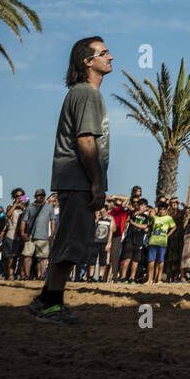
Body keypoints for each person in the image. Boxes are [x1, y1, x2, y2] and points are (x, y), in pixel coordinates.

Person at [28, 36, 112, 324]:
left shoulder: (80, 93)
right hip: (78, 179)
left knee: (68, 241)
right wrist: (97, 183)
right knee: (71, 245)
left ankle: (44, 298)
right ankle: (52, 305)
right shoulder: (87, 94)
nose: (110, 57)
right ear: (87, 62)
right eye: (103, 53)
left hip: (73, 179)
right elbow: (85, 141)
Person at [21, 189, 56, 281]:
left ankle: (41, 276)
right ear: (35, 196)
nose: (41, 197)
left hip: (43, 236)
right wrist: (22, 233)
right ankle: (27, 275)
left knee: (43, 257)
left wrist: (52, 234)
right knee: (27, 255)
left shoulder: (49, 207)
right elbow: (23, 221)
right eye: (39, 195)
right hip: (30, 236)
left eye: (43, 195)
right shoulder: (30, 207)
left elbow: (53, 221)